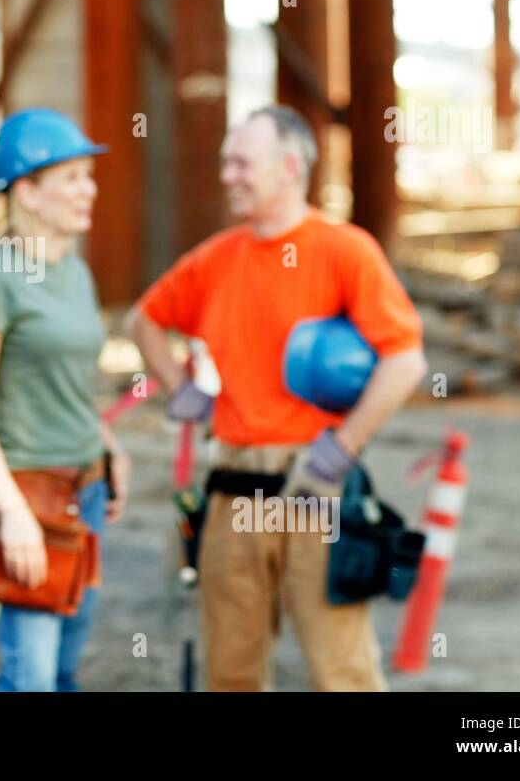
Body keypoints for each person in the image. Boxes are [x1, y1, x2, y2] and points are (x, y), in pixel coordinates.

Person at [130, 104, 426, 691]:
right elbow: (144, 320)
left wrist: (341, 450)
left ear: (291, 166)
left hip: (313, 487)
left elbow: (405, 359)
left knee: (343, 673)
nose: (226, 176)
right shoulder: (216, 259)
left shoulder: (345, 251)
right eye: (224, 163)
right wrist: (181, 390)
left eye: (242, 163)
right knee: (231, 675)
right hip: (232, 488)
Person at [0, 108, 131, 692]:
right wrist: (14, 515)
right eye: (72, 177)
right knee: (31, 677)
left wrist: (108, 445)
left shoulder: (75, 269)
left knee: (65, 668)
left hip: (88, 491)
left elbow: (67, 381)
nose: (90, 189)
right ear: (26, 190)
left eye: (89, 175)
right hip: (31, 495)